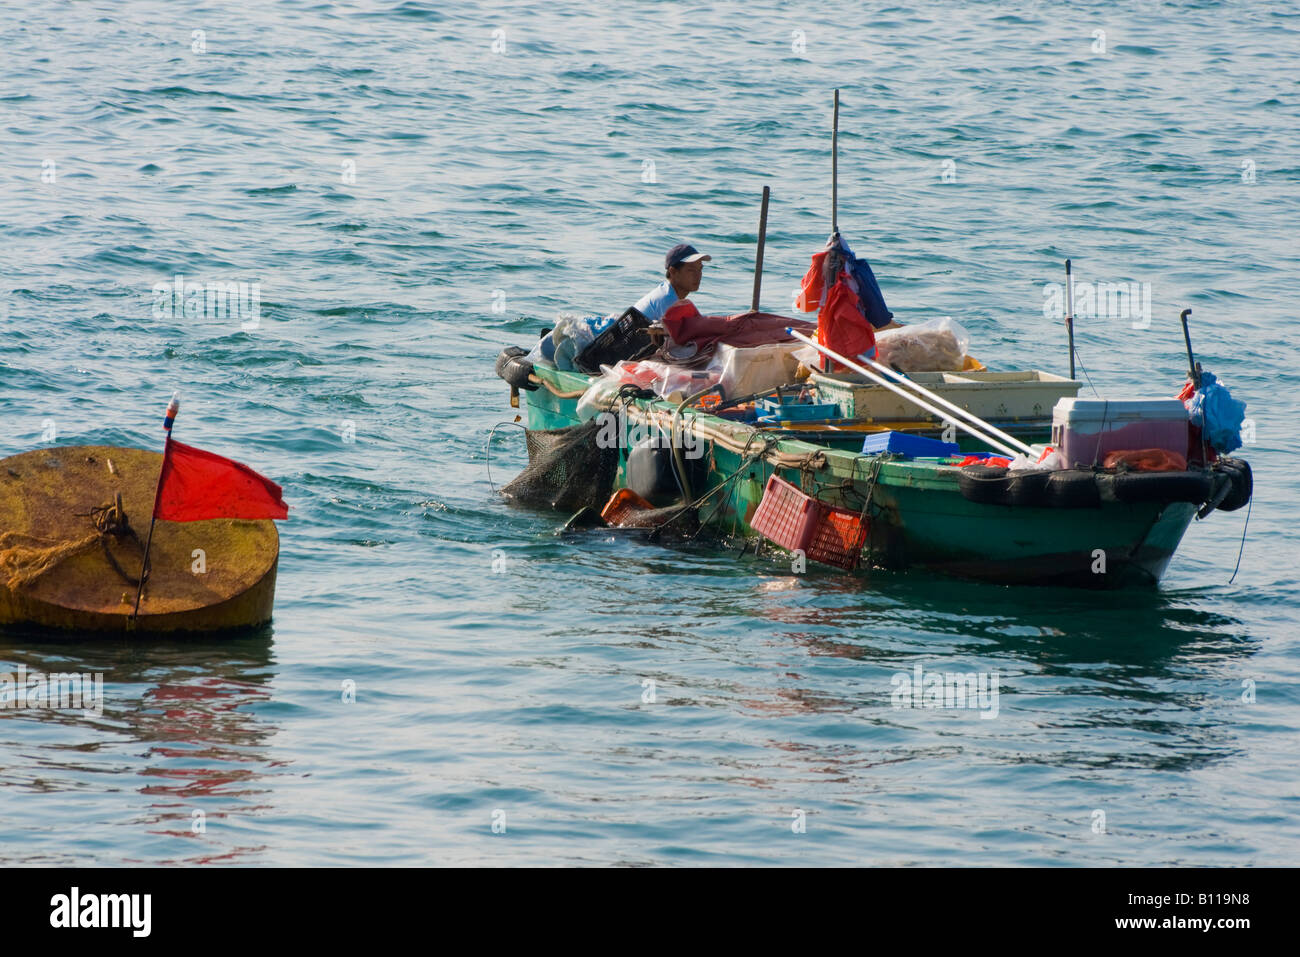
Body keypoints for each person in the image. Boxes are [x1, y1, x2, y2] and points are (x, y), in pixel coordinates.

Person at [633, 243, 711, 324]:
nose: (698, 275)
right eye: (691, 270)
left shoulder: (666, 291)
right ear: (673, 271)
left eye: (700, 269)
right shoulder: (667, 299)